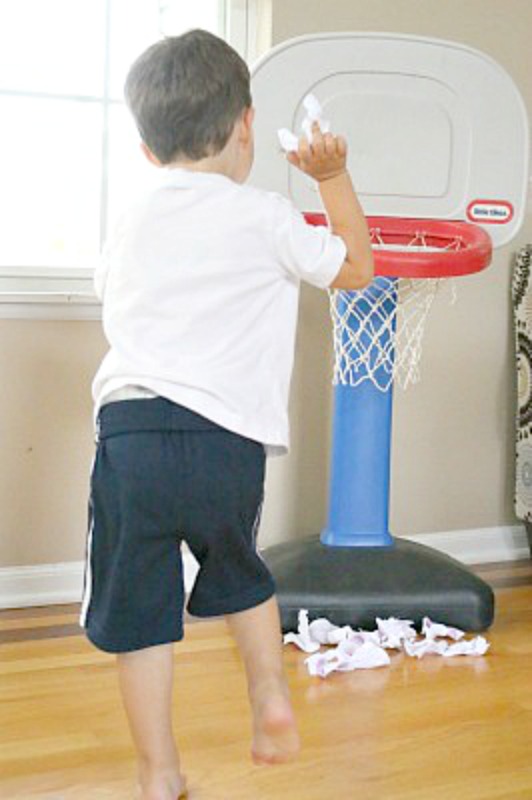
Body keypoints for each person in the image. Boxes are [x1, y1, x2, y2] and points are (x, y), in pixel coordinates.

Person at [80, 28, 374, 800]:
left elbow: (114, 293)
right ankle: (269, 695)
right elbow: (356, 268)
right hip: (227, 443)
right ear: (247, 125)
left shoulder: (129, 218)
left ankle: (158, 773)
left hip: (134, 434)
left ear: (147, 149)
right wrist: (333, 175)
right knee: (241, 571)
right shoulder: (266, 214)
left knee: (140, 610)